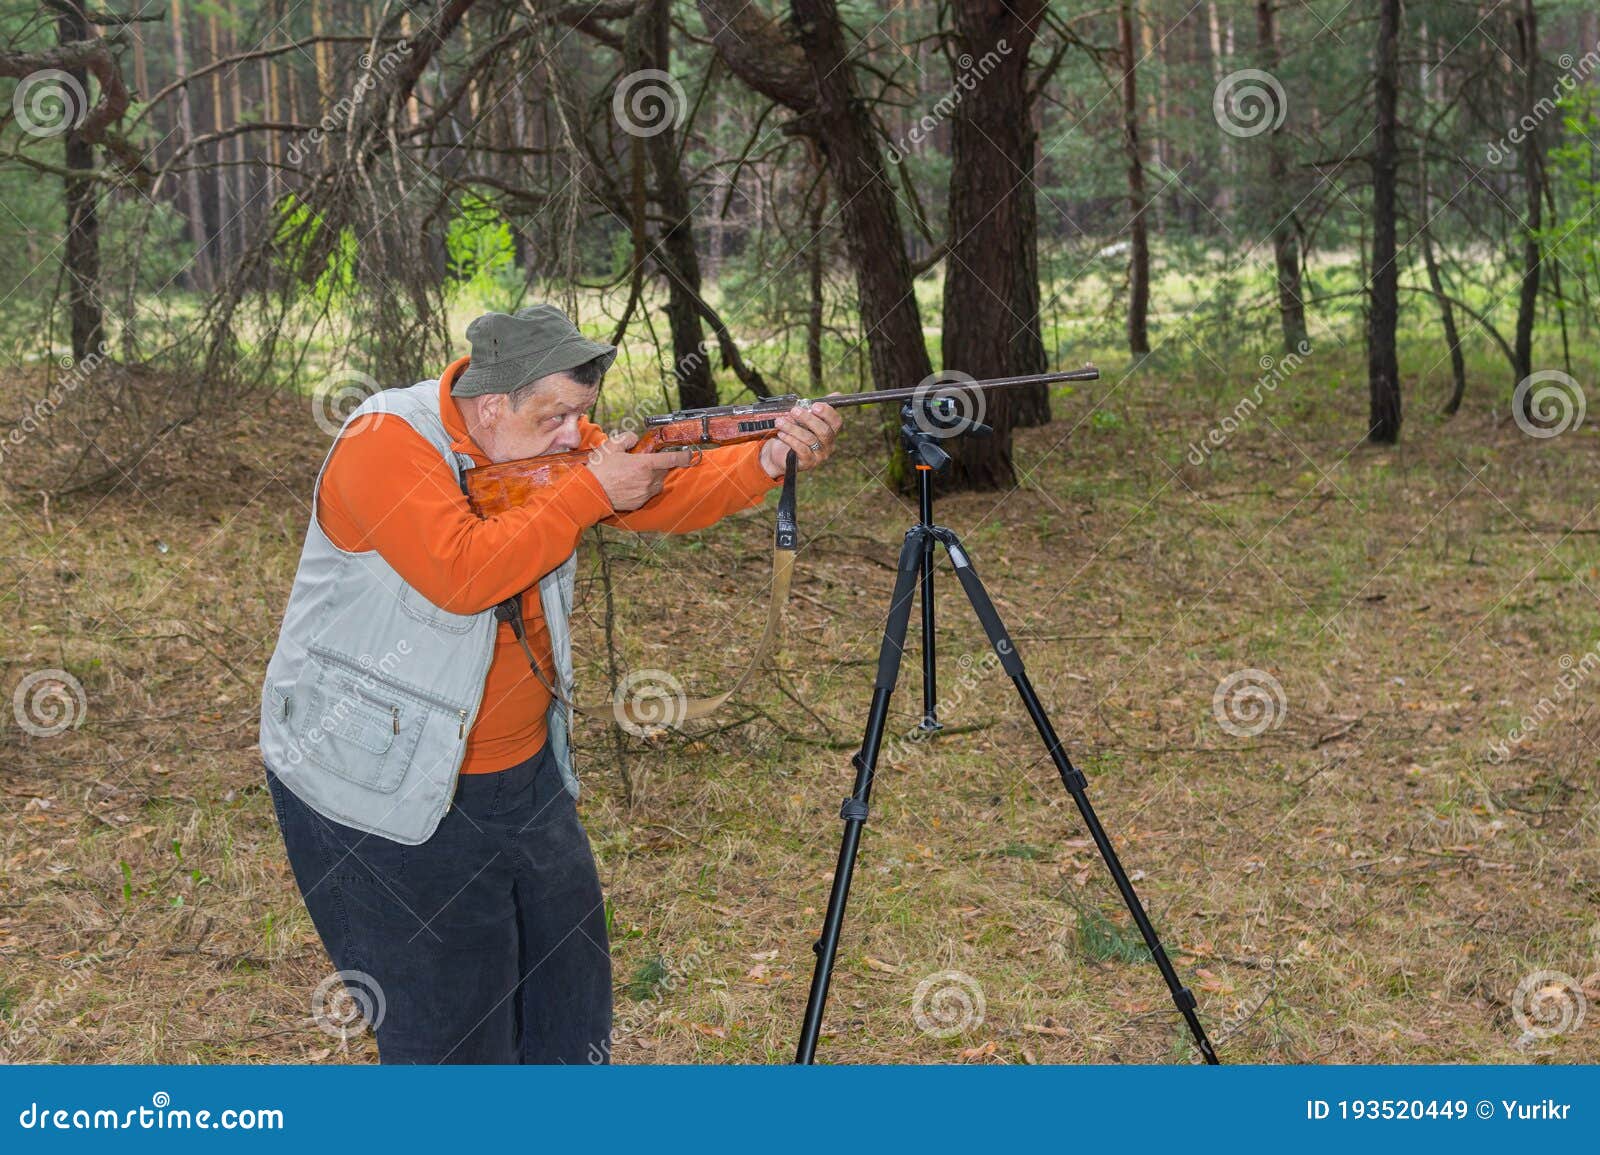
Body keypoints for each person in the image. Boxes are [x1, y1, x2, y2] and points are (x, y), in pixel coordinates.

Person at [258, 304, 842, 1063]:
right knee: (451, 1043)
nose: (578, 434)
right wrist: (591, 488)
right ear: (494, 403)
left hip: (524, 775)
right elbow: (463, 572)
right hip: (382, 791)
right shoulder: (384, 443)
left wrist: (765, 459)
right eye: (559, 416)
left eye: (583, 415)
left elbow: (654, 493)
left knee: (569, 1021)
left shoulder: (542, 437)